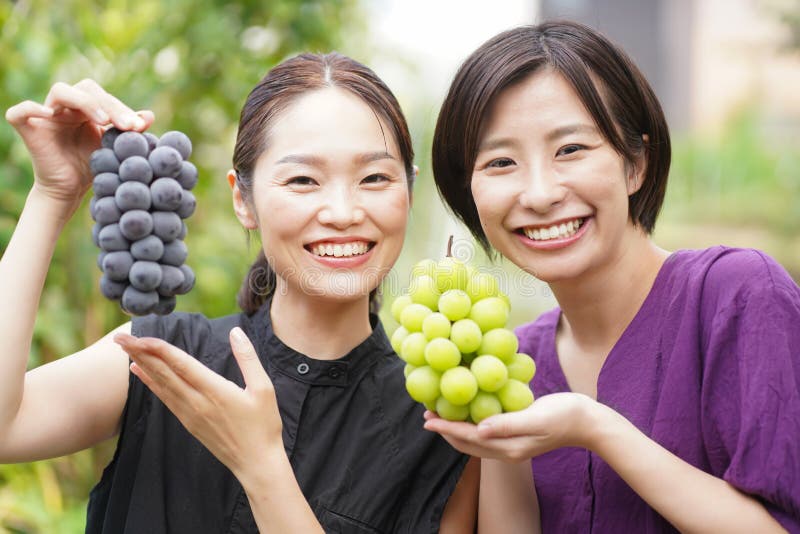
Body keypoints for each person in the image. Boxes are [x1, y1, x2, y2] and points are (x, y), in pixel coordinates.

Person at [1, 52, 479, 533]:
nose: (342, 212)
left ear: (408, 193)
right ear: (242, 200)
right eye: (303, 180)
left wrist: (261, 465)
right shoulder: (164, 358)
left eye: (374, 178)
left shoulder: (443, 425)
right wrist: (54, 193)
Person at [425, 20, 800, 533]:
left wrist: (595, 428)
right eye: (501, 162)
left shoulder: (737, 296)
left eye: (570, 150)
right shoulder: (515, 359)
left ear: (636, 163)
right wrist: (497, 440)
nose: (539, 194)